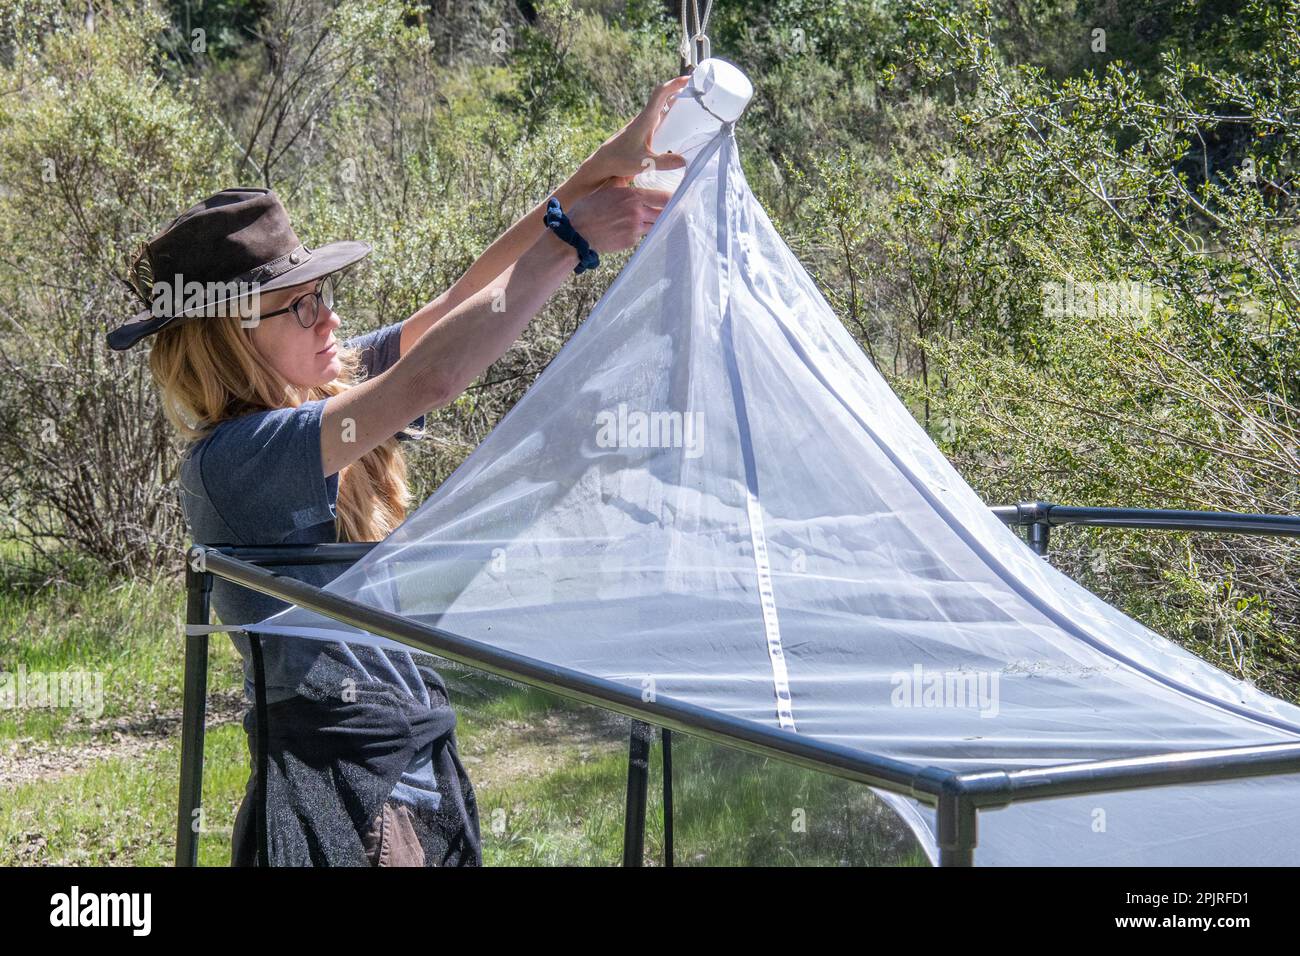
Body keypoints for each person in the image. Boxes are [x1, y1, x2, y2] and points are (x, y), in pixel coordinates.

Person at [106, 77, 689, 866]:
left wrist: (601, 167)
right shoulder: (235, 463)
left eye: (326, 295)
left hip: (401, 764)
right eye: (303, 305)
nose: (332, 318)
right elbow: (429, 380)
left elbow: (458, 304)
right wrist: (569, 241)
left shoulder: (324, 395)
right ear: (229, 337)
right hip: (340, 796)